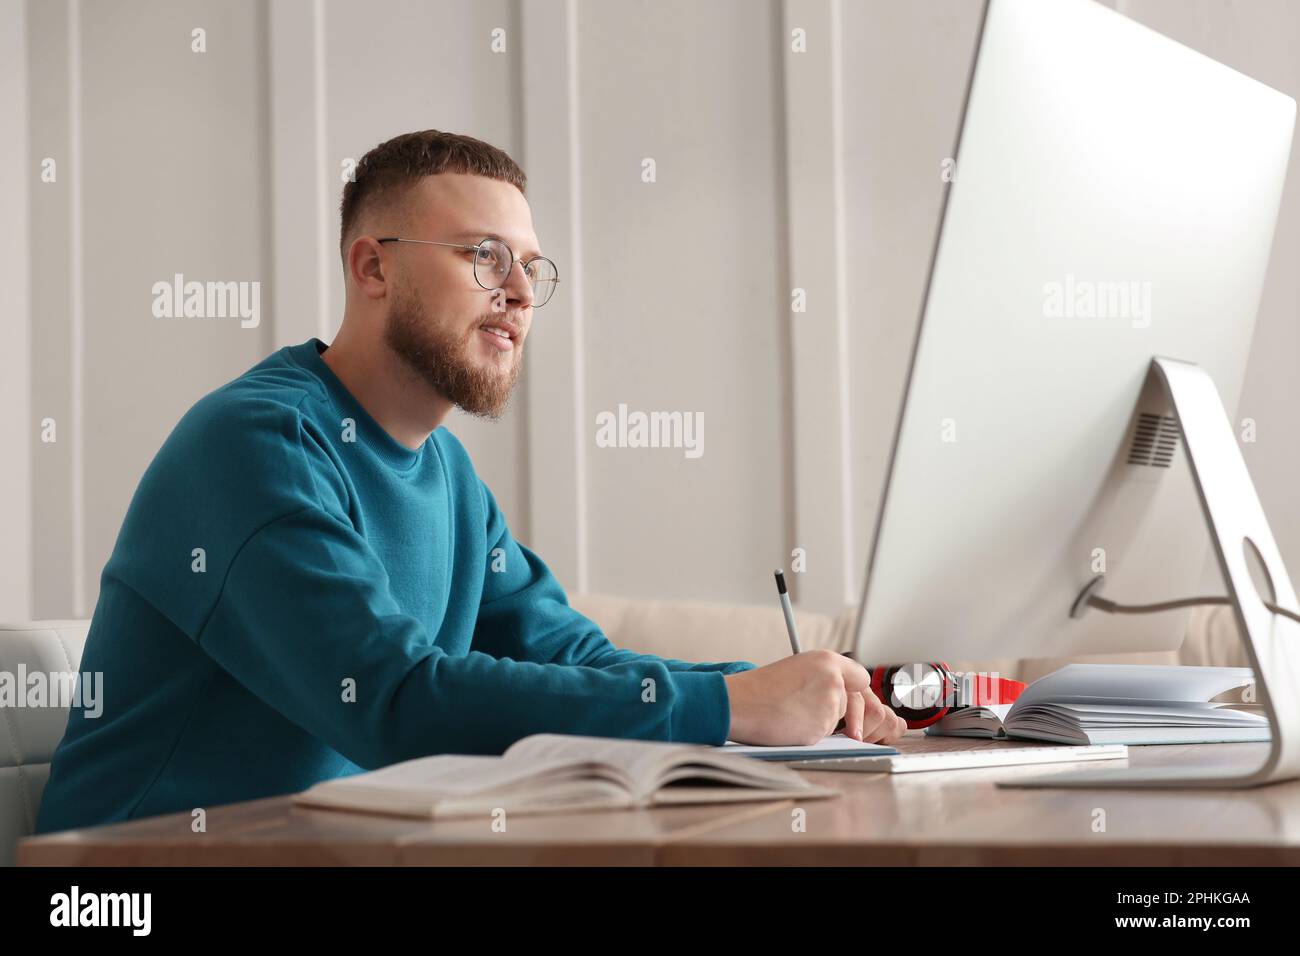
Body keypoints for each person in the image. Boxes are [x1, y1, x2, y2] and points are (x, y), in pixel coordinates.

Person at [36, 130, 904, 832]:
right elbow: (395, 701)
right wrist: (725, 705)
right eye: (486, 257)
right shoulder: (257, 444)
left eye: (532, 267)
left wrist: (787, 688)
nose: (521, 294)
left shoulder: (446, 472)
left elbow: (577, 657)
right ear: (372, 267)